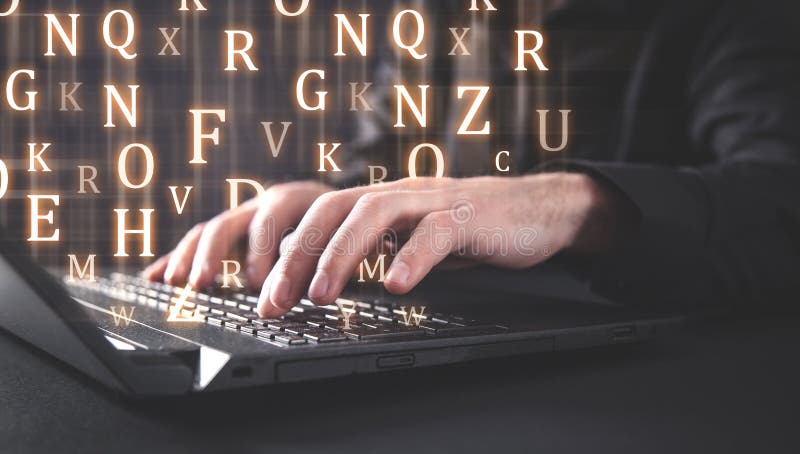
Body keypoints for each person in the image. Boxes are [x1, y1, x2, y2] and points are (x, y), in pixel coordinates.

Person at [144, 0, 800, 318]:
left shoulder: (734, 15)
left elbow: (779, 200)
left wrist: (579, 207)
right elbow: (381, 166)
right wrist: (320, 202)